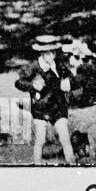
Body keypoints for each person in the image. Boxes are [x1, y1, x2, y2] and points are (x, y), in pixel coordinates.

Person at [14, 35, 77, 165]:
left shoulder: (58, 65)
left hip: (57, 107)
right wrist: (32, 85)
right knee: (40, 140)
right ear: (42, 53)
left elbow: (71, 77)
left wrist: (68, 82)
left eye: (54, 52)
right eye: (48, 53)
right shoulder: (34, 67)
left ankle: (73, 165)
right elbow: (19, 82)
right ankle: (37, 165)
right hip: (40, 108)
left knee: (65, 137)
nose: (52, 56)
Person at [64, 40, 96, 108]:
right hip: (90, 90)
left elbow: (77, 81)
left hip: (86, 91)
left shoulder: (84, 67)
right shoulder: (89, 67)